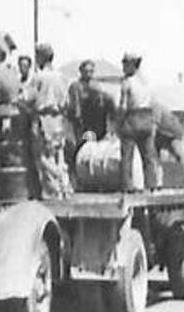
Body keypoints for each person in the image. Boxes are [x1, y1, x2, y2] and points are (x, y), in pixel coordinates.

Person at [20, 42, 72, 199]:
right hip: (59, 119)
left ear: (41, 57)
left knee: (43, 157)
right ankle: (65, 188)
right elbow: (67, 102)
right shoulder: (62, 77)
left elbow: (27, 98)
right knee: (59, 155)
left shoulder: (39, 77)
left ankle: (52, 192)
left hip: (43, 119)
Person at [117, 51, 160, 192]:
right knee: (148, 155)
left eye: (124, 63)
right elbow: (153, 102)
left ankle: (127, 187)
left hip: (132, 118)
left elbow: (123, 105)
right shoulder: (147, 81)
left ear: (131, 65)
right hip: (147, 118)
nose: (122, 66)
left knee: (127, 156)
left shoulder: (127, 82)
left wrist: (118, 122)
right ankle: (151, 185)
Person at [66, 58, 116, 150]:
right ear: (81, 71)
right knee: (81, 146)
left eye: (91, 71)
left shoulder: (97, 85)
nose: (88, 74)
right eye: (86, 71)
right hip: (81, 123)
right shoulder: (76, 86)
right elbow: (74, 106)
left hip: (96, 122)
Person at [151, 101, 184, 189]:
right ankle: (157, 183)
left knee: (182, 157)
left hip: (173, 133)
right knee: (155, 159)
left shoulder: (155, 106)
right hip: (160, 134)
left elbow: (154, 125)